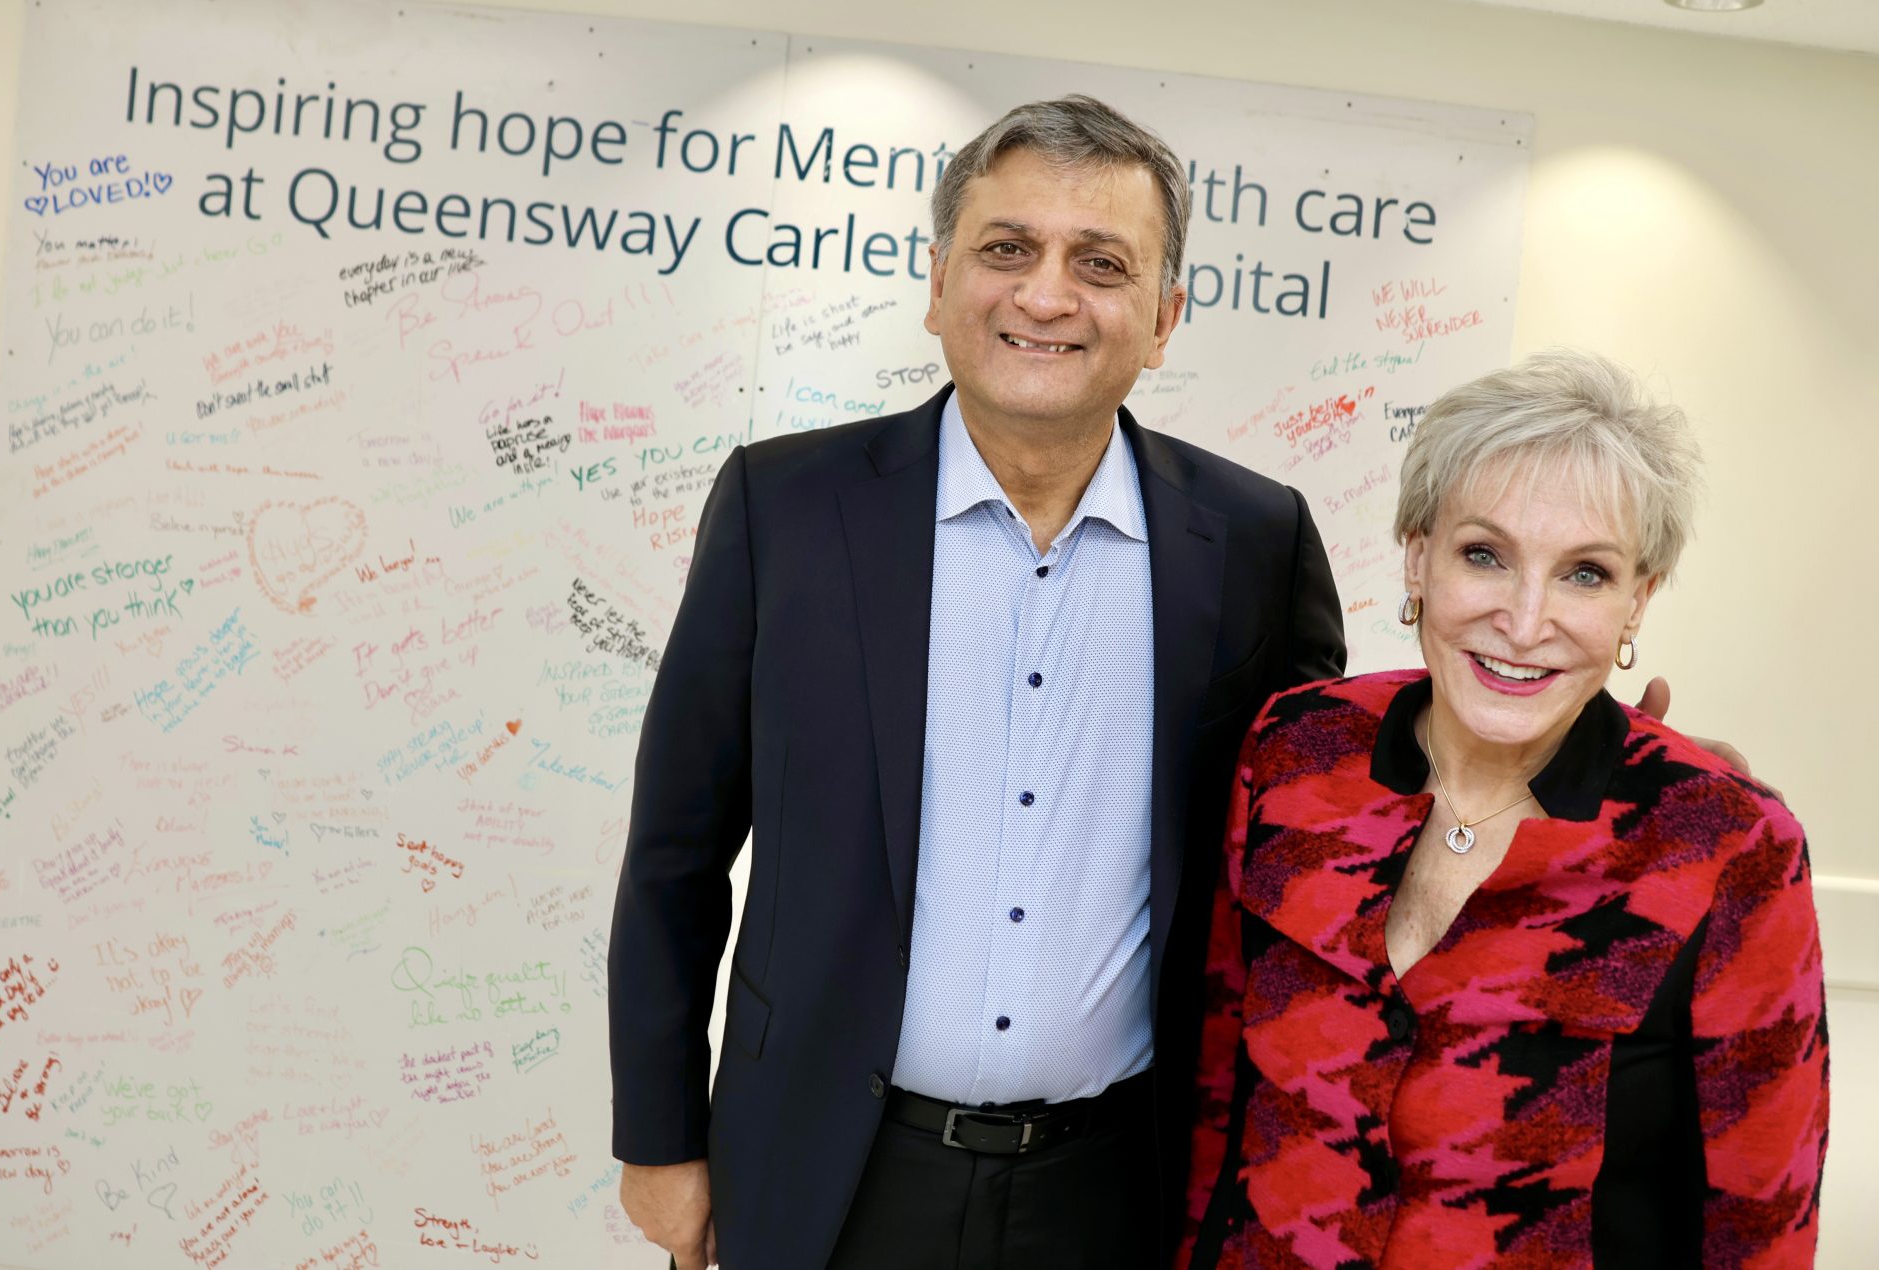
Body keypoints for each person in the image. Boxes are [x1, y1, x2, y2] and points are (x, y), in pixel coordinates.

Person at [608, 94, 1346, 1269]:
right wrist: (658, 1138)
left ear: (1164, 318)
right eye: (1008, 249)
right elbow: (675, 851)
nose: (1046, 296)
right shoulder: (783, 510)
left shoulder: (1256, 542)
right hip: (828, 1170)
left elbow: (1324, 843)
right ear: (940, 280)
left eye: (1100, 263)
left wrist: (1575, 759)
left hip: (1123, 1190)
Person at [1179, 351, 1828, 1269]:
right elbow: (1217, 1102)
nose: (1525, 622)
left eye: (1585, 574)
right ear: (1418, 558)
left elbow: (1761, 1219)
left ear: (1638, 601)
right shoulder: (1294, 750)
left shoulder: (1727, 845)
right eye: (1484, 555)